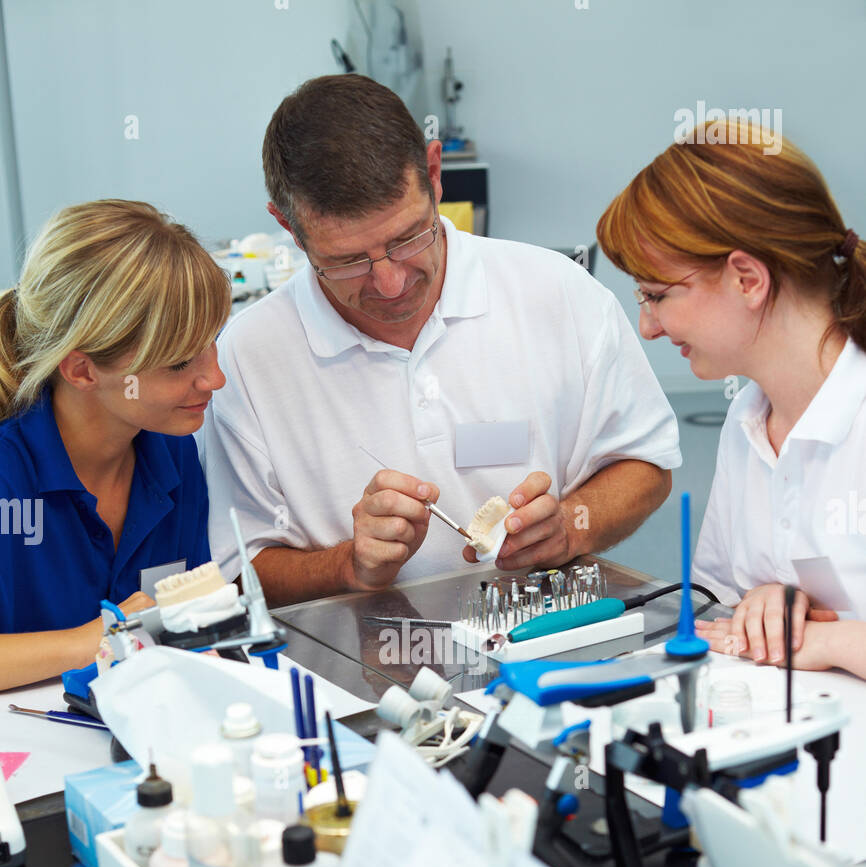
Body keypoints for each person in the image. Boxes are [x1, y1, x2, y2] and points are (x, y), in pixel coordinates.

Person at [202, 75, 681, 604]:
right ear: (288, 229)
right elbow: (238, 570)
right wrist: (349, 565)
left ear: (434, 174)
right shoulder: (246, 358)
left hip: (542, 643)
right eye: (347, 262)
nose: (390, 282)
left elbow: (645, 461)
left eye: (408, 239)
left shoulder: (556, 293)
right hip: (345, 664)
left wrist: (571, 525)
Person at [596, 121, 866, 678]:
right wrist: (768, 605)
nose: (647, 327)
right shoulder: (748, 420)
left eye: (656, 295)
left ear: (746, 278)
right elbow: (722, 606)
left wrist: (834, 642)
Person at [0, 200, 230, 692]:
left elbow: (182, 614)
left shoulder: (172, 450)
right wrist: (104, 635)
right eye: (178, 364)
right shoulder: (8, 475)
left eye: (213, 342)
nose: (216, 377)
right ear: (82, 370)